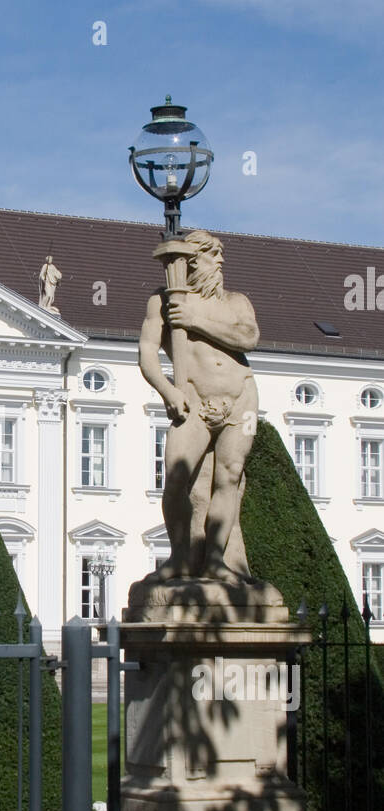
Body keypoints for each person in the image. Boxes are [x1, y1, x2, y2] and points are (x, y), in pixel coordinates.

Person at [137, 229, 259, 581]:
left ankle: (217, 561)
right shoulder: (163, 301)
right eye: (213, 254)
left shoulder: (236, 302)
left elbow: (248, 337)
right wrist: (168, 391)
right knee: (176, 478)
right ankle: (180, 557)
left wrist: (195, 320)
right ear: (193, 260)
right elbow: (147, 355)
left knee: (230, 478)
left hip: (243, 403)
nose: (221, 261)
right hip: (192, 402)